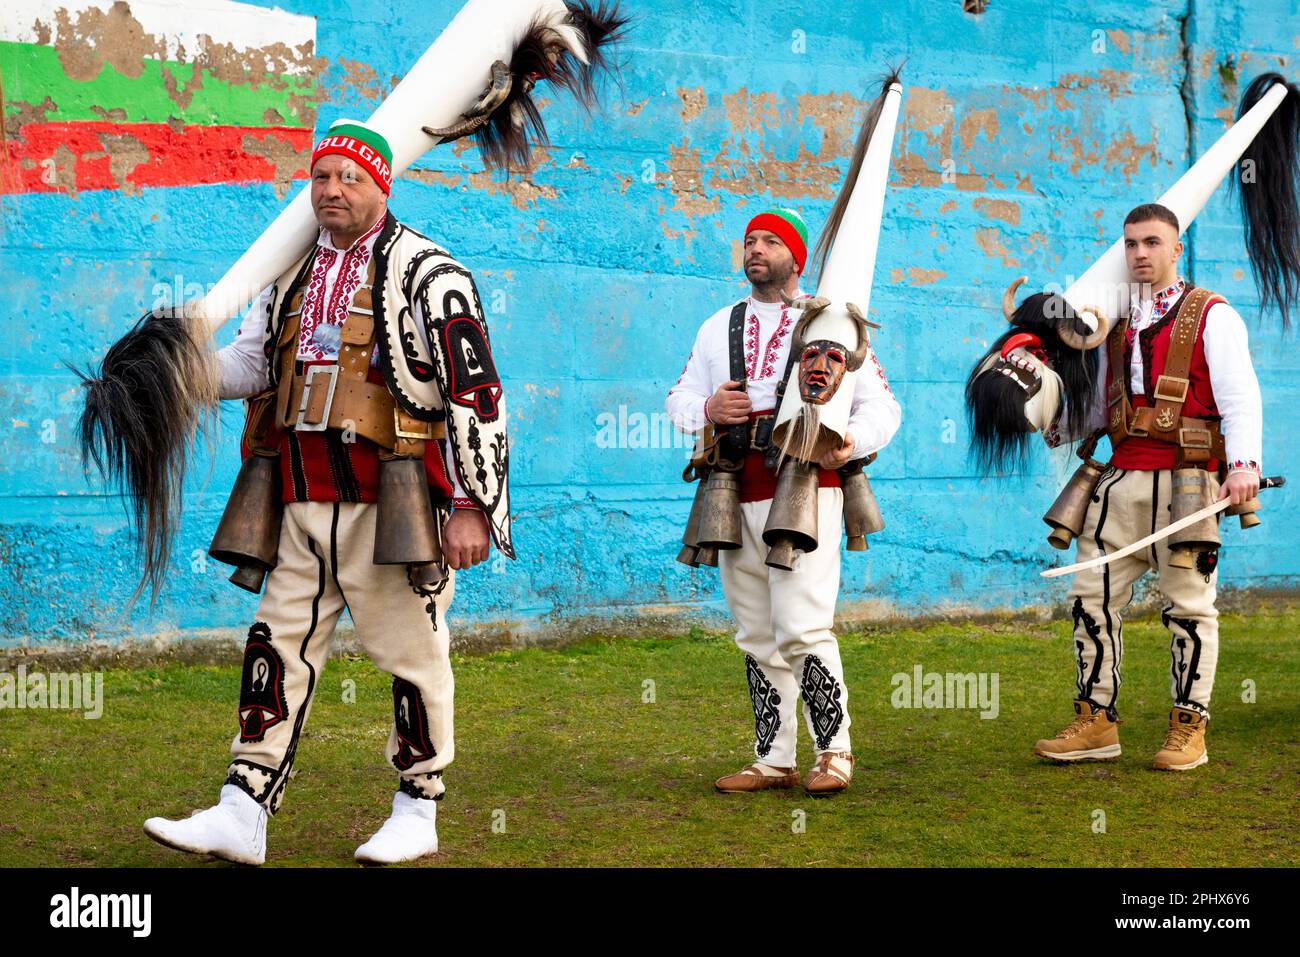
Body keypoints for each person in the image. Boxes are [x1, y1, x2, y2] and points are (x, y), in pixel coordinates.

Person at [143, 119, 513, 864]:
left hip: (397, 502)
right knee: (274, 646)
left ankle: (418, 806)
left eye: (350, 177)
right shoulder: (285, 273)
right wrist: (173, 367)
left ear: (383, 185)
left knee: (412, 652)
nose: (333, 190)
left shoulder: (431, 273)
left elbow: (478, 395)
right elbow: (252, 367)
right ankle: (241, 809)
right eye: (321, 178)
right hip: (299, 494)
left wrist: (474, 505)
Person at [666, 207, 901, 795]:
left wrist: (851, 444)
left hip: (804, 485)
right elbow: (680, 396)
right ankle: (774, 758)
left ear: (796, 256)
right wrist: (707, 410)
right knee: (755, 630)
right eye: (750, 240)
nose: (756, 249)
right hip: (730, 486)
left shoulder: (834, 322)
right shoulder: (717, 325)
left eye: (771, 241)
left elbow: (883, 407)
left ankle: (835, 751)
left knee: (801, 625)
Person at [1034, 202, 1263, 772]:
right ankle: (1097, 722)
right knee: (1090, 598)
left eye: (1153, 242)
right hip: (1119, 483)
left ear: (1175, 248)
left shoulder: (1212, 314)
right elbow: (1102, 405)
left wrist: (1243, 464)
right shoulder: (1109, 321)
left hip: (1188, 485)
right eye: (1131, 244)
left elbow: (1239, 397)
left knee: (1188, 606)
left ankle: (1189, 727)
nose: (1140, 253)